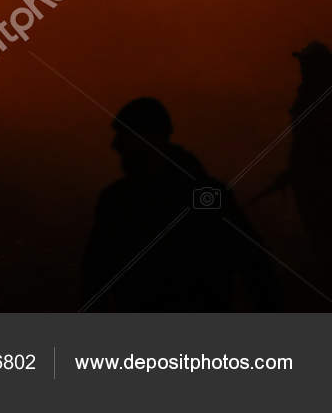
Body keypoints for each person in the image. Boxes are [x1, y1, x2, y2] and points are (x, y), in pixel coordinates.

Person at [82, 97, 275, 310]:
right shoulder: (118, 200)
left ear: (149, 137)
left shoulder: (118, 200)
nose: (116, 145)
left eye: (124, 135)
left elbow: (254, 264)